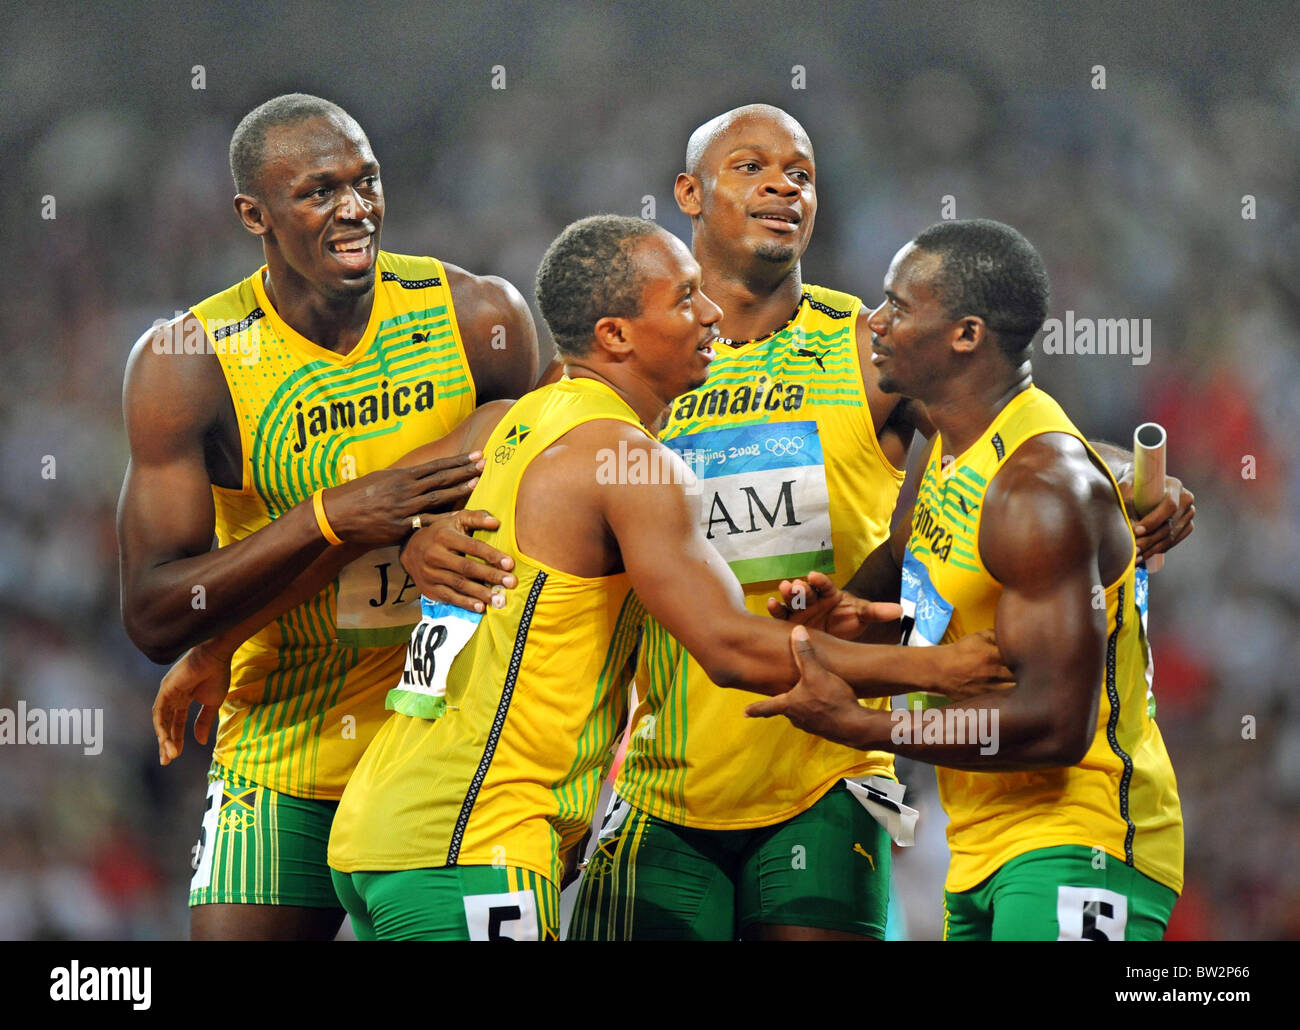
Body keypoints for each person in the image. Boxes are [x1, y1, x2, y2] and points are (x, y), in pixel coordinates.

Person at [430, 105, 1190, 941]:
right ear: (688, 192)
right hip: (660, 781)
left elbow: (1021, 439)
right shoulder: (623, 369)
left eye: (801, 172)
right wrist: (427, 532)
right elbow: (506, 468)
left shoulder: (871, 347)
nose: (782, 185)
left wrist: (1131, 476)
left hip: (827, 783)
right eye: (751, 167)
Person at [325, 215, 1014, 940]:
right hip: (473, 835)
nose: (711, 312)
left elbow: (353, 508)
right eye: (686, 299)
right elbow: (731, 650)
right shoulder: (631, 461)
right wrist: (936, 666)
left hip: (386, 822)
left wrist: (410, 535)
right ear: (616, 336)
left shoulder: (505, 423)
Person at [118, 93, 539, 941]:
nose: (355, 209)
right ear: (255, 214)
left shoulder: (477, 316)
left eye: (366, 181)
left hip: (458, 744)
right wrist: (333, 515)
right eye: (319, 192)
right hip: (287, 742)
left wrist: (398, 519)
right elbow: (157, 614)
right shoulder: (189, 362)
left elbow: (536, 487)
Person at [747, 220, 1186, 941]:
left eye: (897, 307)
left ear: (966, 335)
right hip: (983, 846)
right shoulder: (954, 448)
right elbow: (920, 579)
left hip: (1082, 840)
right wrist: (858, 608)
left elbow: (1056, 725)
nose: (875, 324)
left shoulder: (1037, 489)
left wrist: (864, 725)